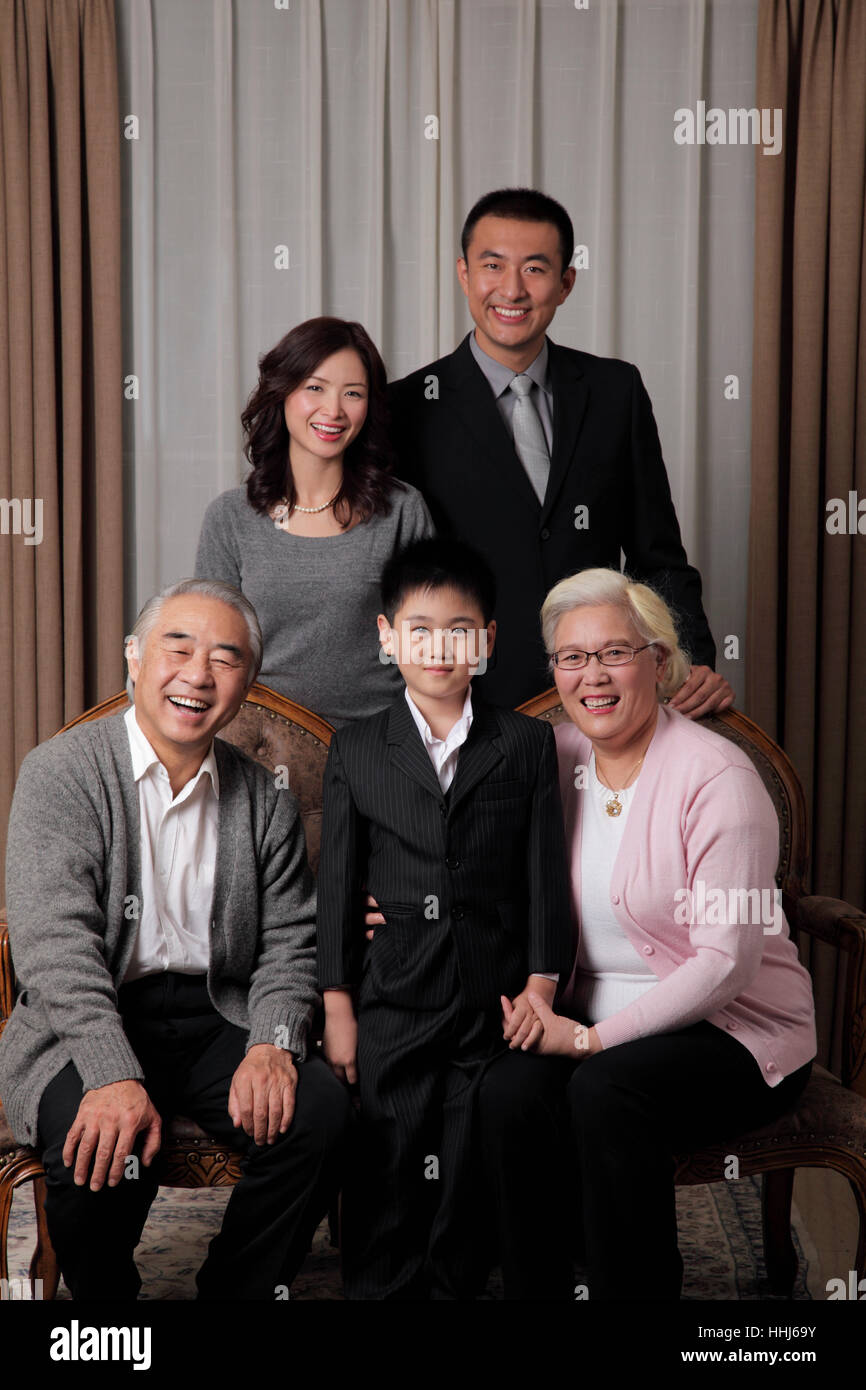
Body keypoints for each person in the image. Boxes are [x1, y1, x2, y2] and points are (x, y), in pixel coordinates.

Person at [0, 578, 352, 1300]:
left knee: (319, 1112)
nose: (198, 673)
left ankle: (234, 1289)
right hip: (86, 1016)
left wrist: (273, 1041)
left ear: (247, 683)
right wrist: (111, 1071)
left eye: (225, 658)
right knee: (96, 1142)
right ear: (135, 658)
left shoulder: (263, 797)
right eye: (178, 647)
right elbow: (54, 945)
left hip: (216, 1011)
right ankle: (112, 1315)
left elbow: (291, 941)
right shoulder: (63, 772)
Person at [478, 567, 816, 1300]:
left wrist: (590, 1041)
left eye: (614, 653)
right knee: (507, 1091)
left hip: (734, 1031)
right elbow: (475, 861)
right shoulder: (550, 757)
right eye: (572, 657)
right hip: (586, 1018)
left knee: (605, 1090)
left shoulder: (716, 775)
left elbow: (725, 963)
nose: (590, 677)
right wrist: (393, 902)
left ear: (659, 663)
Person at [316, 537, 574, 1299]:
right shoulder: (357, 749)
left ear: (488, 641)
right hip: (393, 997)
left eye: (460, 629)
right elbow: (338, 887)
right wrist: (338, 1006)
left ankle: (454, 1283)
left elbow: (545, 880)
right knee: (390, 1152)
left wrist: (540, 985)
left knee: (462, 1160)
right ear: (387, 636)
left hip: (489, 999)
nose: (439, 647)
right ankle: (382, 1287)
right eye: (419, 628)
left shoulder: (525, 746)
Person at [389, 187, 734, 717]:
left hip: (603, 694)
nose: (512, 289)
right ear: (463, 274)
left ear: (566, 282)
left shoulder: (616, 391)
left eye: (534, 269)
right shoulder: (408, 405)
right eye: (493, 265)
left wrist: (693, 663)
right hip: (468, 707)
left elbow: (657, 557)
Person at [196, 316, 433, 726]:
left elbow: (431, 646)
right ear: (283, 392)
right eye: (315, 388)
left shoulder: (403, 509)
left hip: (381, 744)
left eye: (353, 393)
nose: (333, 410)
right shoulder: (229, 517)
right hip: (259, 740)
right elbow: (214, 650)